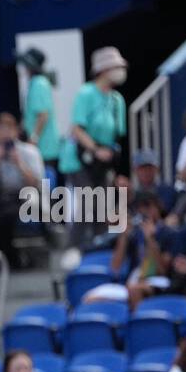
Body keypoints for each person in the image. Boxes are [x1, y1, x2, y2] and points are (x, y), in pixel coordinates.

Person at [59, 45, 128, 245]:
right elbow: (77, 129)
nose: (120, 70)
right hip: (78, 160)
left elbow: (117, 136)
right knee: (87, 203)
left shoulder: (117, 100)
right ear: (103, 70)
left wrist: (111, 160)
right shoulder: (86, 93)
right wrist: (96, 150)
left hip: (104, 163)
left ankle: (99, 253)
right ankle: (73, 256)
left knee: (104, 207)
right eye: (116, 66)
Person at [0, 112, 45, 266]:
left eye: (8, 129)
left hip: (27, 196)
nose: (5, 133)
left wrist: (19, 163)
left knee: (7, 214)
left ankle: (8, 258)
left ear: (16, 131)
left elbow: (36, 183)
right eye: (0, 130)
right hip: (1, 197)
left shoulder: (30, 152)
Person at [18, 47, 61, 173]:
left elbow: (43, 115)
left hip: (44, 148)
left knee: (46, 181)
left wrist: (33, 139)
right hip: (41, 147)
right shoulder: (35, 83)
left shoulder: (39, 83)